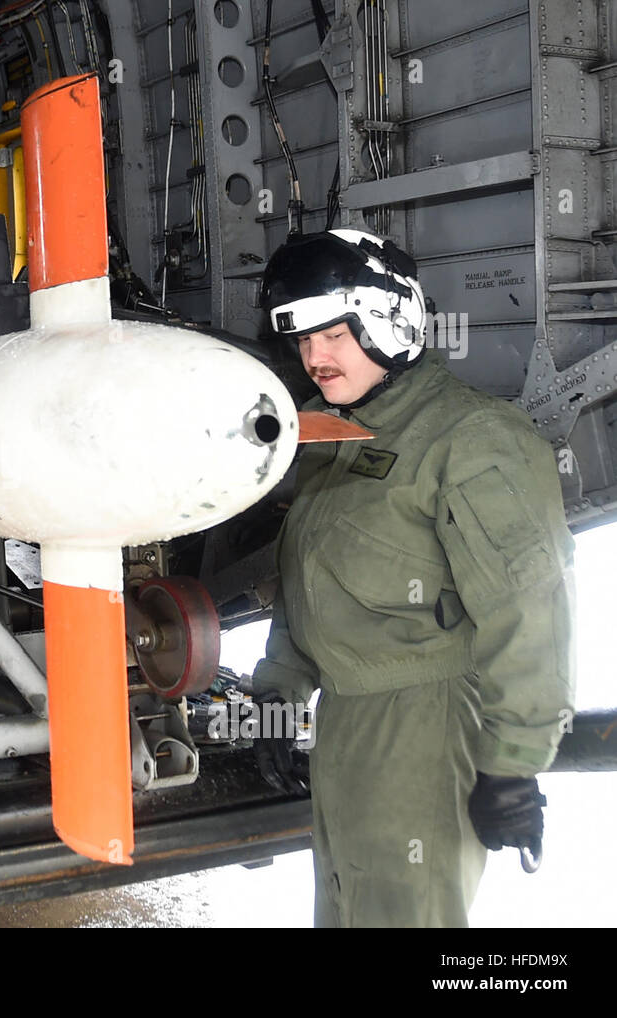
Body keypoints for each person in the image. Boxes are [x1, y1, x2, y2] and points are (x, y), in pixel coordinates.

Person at [251, 227, 576, 927]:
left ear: (386, 320)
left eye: (333, 334)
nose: (316, 358)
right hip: (346, 725)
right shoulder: (335, 437)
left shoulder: (471, 438)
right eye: (303, 340)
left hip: (423, 733)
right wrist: (279, 692)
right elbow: (308, 581)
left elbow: (531, 608)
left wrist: (513, 764)